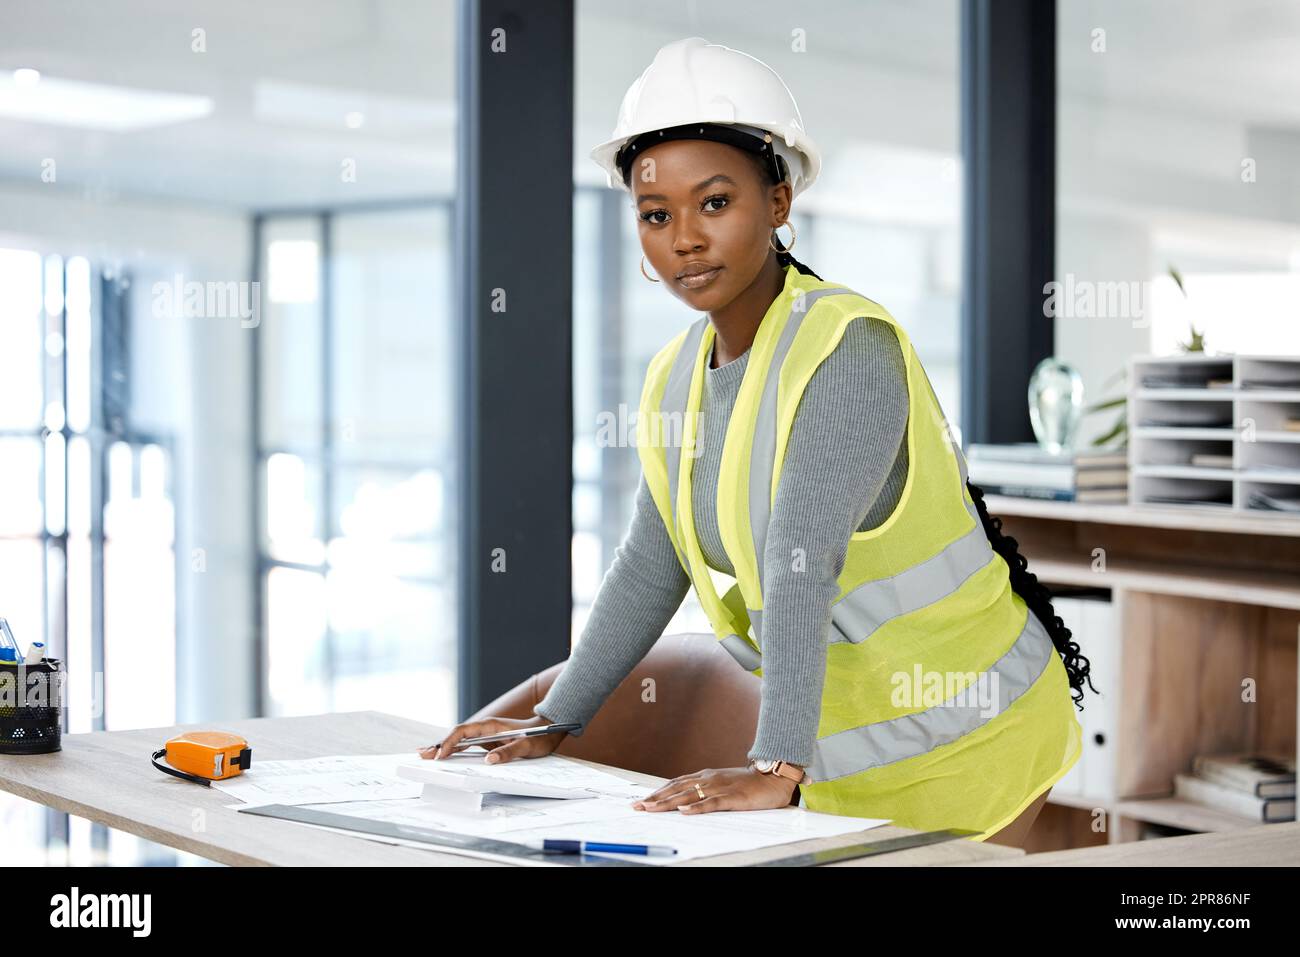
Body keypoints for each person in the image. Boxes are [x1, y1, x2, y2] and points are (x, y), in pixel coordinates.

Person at [424, 37, 1093, 844]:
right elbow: (651, 560)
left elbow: (797, 561)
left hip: (980, 736)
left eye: (714, 202)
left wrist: (775, 767)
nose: (684, 240)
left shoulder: (847, 347)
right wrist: (554, 719)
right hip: (848, 771)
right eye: (656, 214)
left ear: (777, 201)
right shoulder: (676, 375)